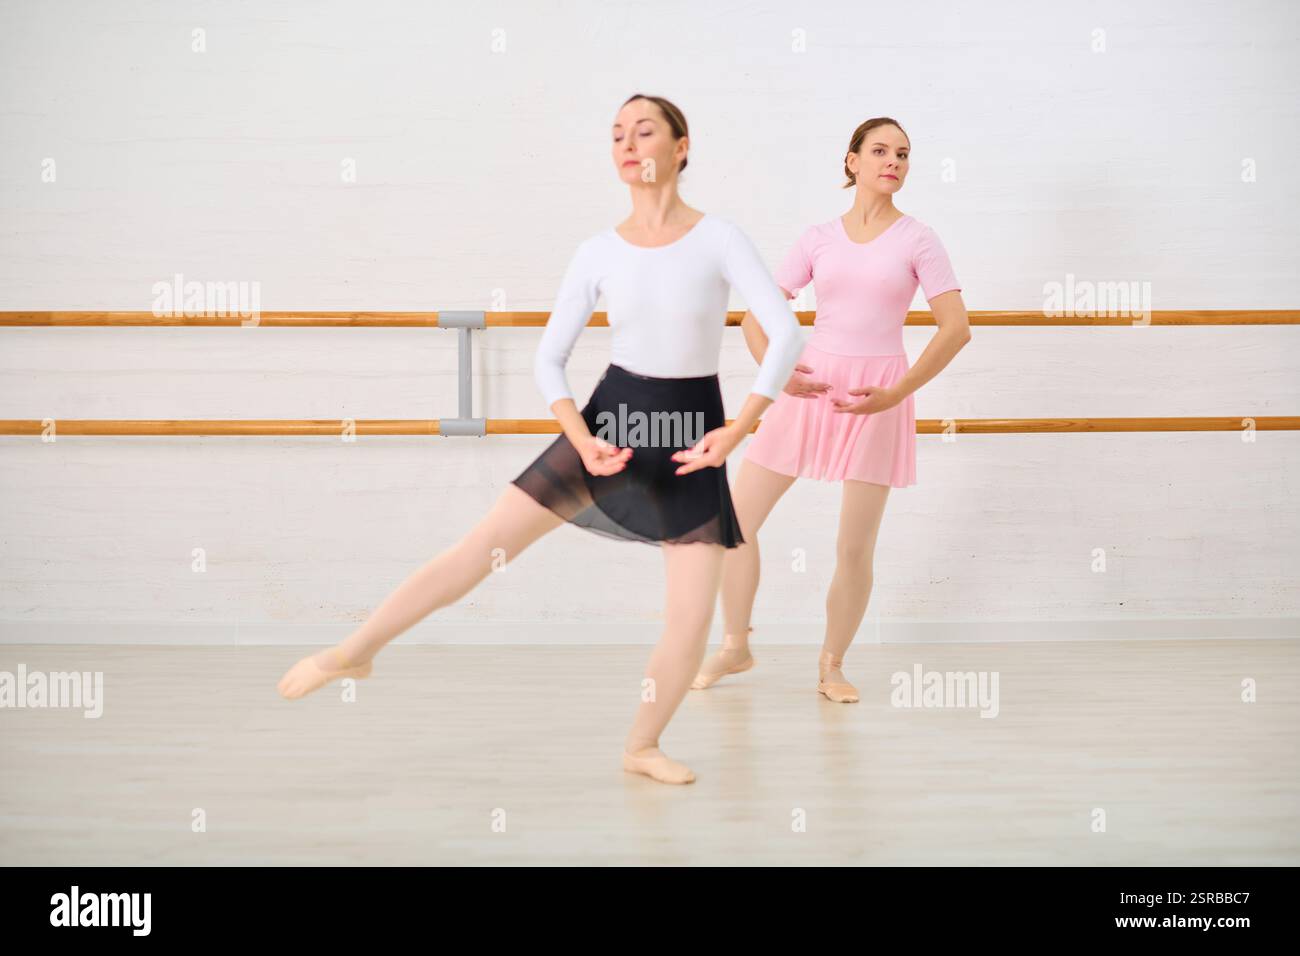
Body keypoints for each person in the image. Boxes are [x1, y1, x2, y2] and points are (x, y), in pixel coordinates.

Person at [276, 93, 803, 785]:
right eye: (616, 134)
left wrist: (737, 429)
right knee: (478, 551)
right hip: (609, 427)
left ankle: (641, 746)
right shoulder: (597, 252)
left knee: (689, 614)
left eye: (645, 131)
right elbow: (548, 359)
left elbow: (785, 334)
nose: (628, 143)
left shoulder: (720, 238)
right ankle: (356, 650)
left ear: (681, 146)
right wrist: (582, 440)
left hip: (691, 438)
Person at [691, 117, 972, 702]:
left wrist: (896, 394)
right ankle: (735, 645)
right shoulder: (818, 237)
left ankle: (832, 665)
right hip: (812, 385)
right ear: (852, 161)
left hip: (878, 395)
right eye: (879, 150)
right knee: (731, 521)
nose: (892, 161)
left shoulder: (919, 239)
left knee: (853, 546)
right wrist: (780, 373)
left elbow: (956, 329)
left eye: (902, 153)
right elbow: (753, 317)